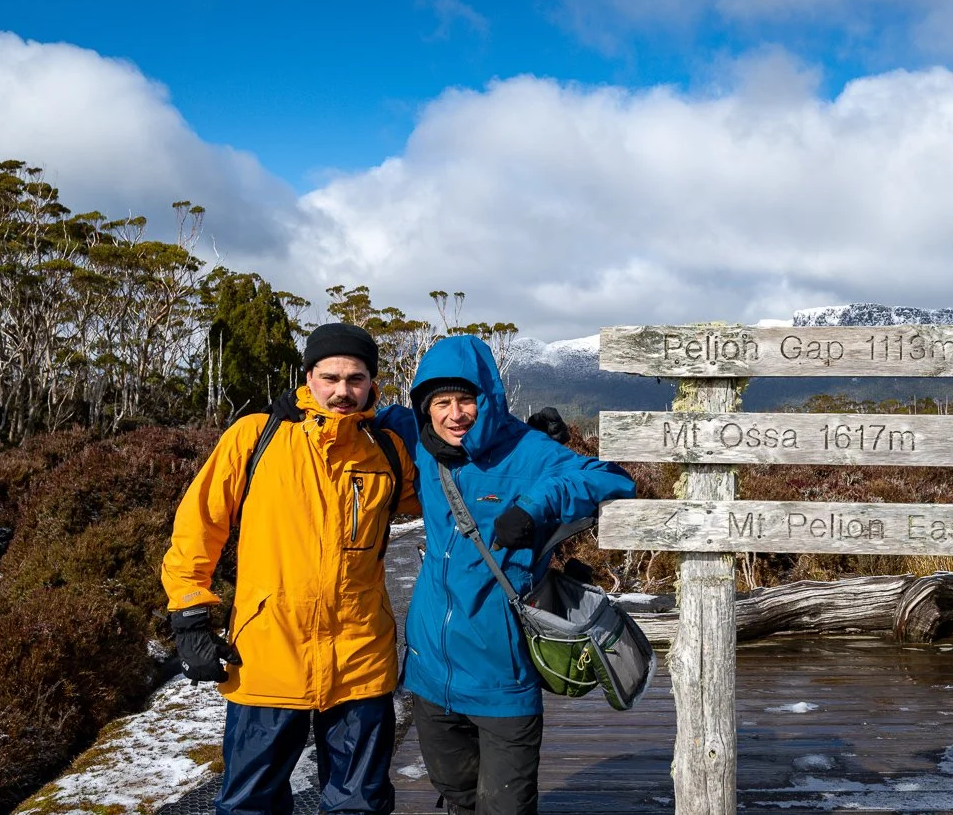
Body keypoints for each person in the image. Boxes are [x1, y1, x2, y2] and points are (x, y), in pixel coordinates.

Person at [161, 322, 420, 815]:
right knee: (250, 805)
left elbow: (452, 498)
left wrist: (509, 449)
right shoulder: (255, 436)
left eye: (356, 378)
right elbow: (199, 525)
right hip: (268, 654)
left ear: (372, 384)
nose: (342, 391)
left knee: (359, 805)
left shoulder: (386, 450)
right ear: (308, 378)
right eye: (330, 377)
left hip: (361, 657)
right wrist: (189, 612)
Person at [377, 335, 636, 815]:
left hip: (502, 673)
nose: (455, 415)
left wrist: (536, 505)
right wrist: (295, 408)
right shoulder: (418, 440)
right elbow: (357, 412)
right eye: (441, 403)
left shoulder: (528, 451)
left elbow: (612, 478)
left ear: (488, 399)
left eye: (466, 400)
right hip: (430, 670)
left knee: (506, 806)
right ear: (424, 407)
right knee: (455, 792)